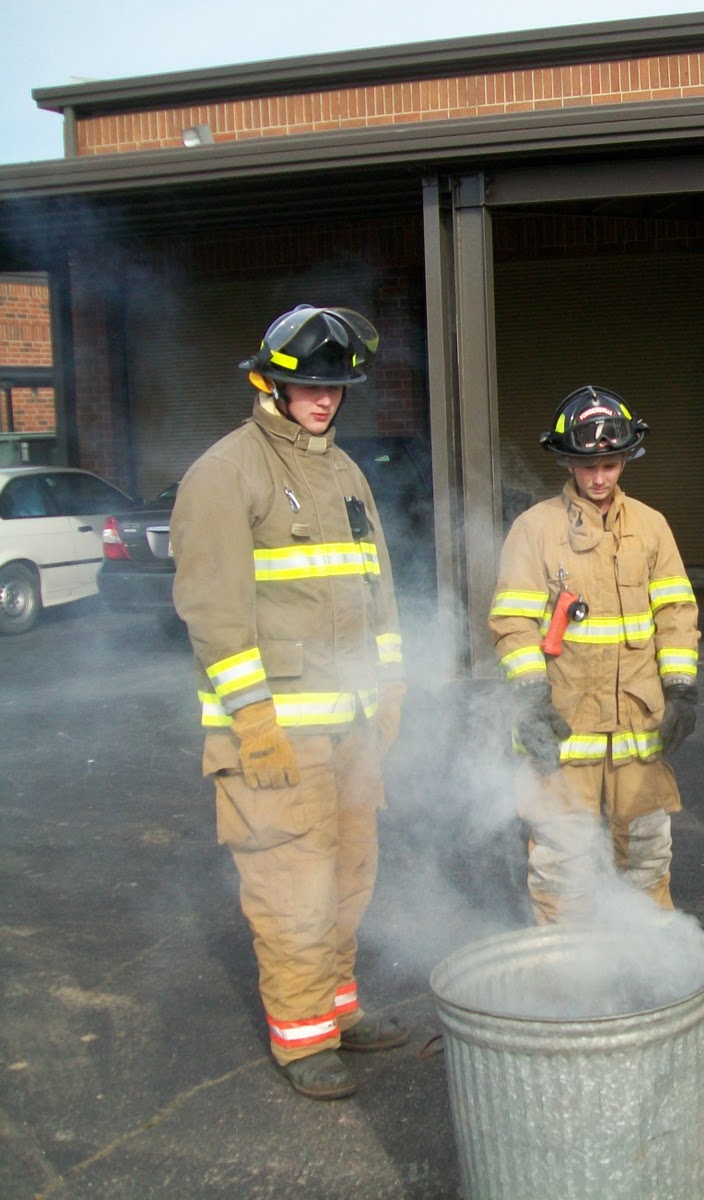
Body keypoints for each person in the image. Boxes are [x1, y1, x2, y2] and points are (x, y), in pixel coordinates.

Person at [170, 304, 409, 1101]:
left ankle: (336, 1012)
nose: (325, 400)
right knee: (291, 890)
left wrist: (393, 683)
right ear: (267, 382)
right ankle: (301, 1039)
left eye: (336, 388)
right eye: (309, 386)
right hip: (275, 738)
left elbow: (379, 591)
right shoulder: (225, 473)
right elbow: (214, 614)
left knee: (348, 878)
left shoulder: (343, 473)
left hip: (347, 731)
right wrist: (254, 723)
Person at [490, 385, 699, 921]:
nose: (600, 477)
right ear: (567, 461)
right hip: (562, 731)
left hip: (638, 729)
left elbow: (675, 615)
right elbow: (512, 624)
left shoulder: (651, 527)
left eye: (610, 462)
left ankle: (649, 972)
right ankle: (566, 984)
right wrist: (531, 700)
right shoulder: (535, 530)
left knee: (648, 858)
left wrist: (680, 690)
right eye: (588, 465)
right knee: (564, 865)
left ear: (626, 457)